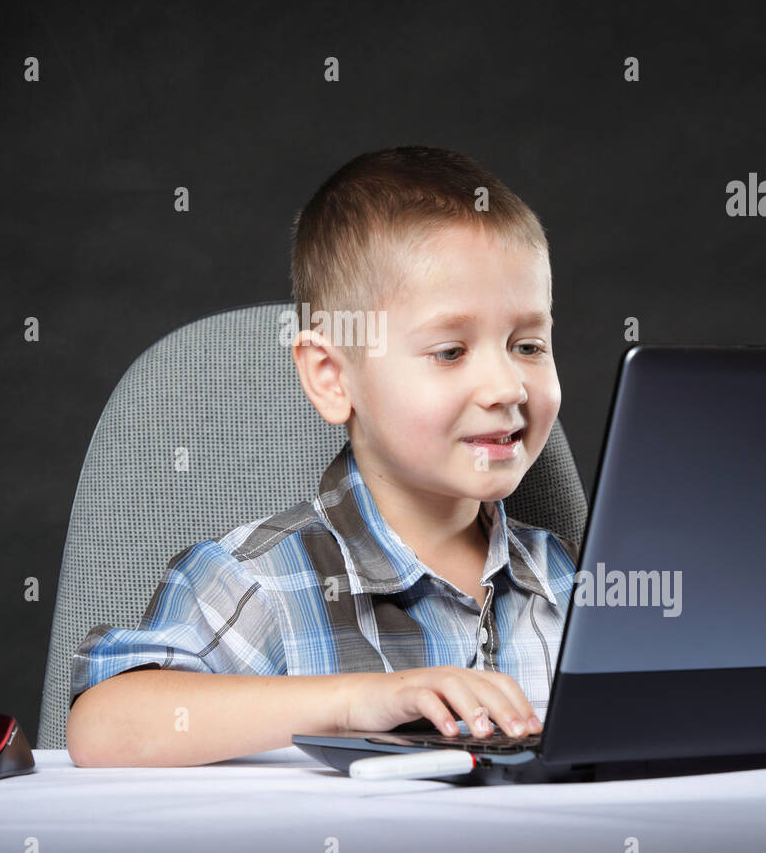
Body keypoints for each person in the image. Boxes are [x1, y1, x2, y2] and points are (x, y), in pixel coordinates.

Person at [66, 146, 579, 767]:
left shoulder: (569, 581)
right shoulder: (261, 581)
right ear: (332, 377)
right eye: (449, 351)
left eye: (528, 345)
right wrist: (354, 702)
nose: (507, 388)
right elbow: (103, 727)